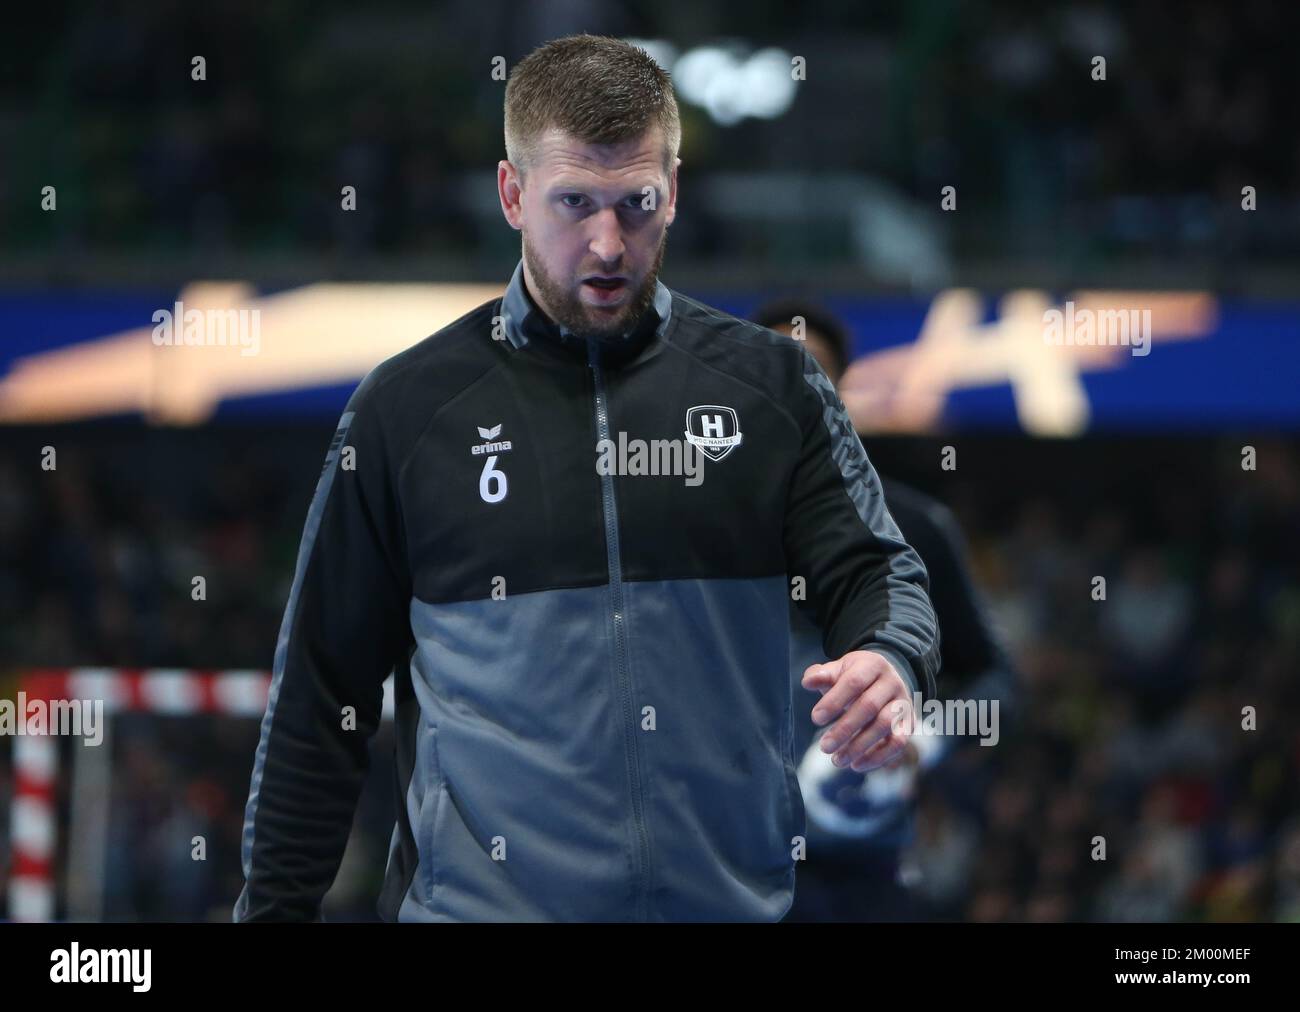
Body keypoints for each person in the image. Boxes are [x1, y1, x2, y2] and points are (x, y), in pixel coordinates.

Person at [234, 35, 939, 923]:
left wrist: (890, 656)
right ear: (513, 194)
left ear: (673, 193)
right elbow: (317, 701)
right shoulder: (405, 412)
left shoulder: (775, 391)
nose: (608, 243)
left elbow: (881, 573)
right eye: (574, 204)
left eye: (635, 203)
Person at [750, 298, 1019, 921]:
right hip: (721, 864)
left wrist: (926, 736)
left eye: (808, 370)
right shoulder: (685, 528)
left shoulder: (916, 526)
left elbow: (998, 686)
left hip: (861, 872)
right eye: (767, 370)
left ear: (839, 389)